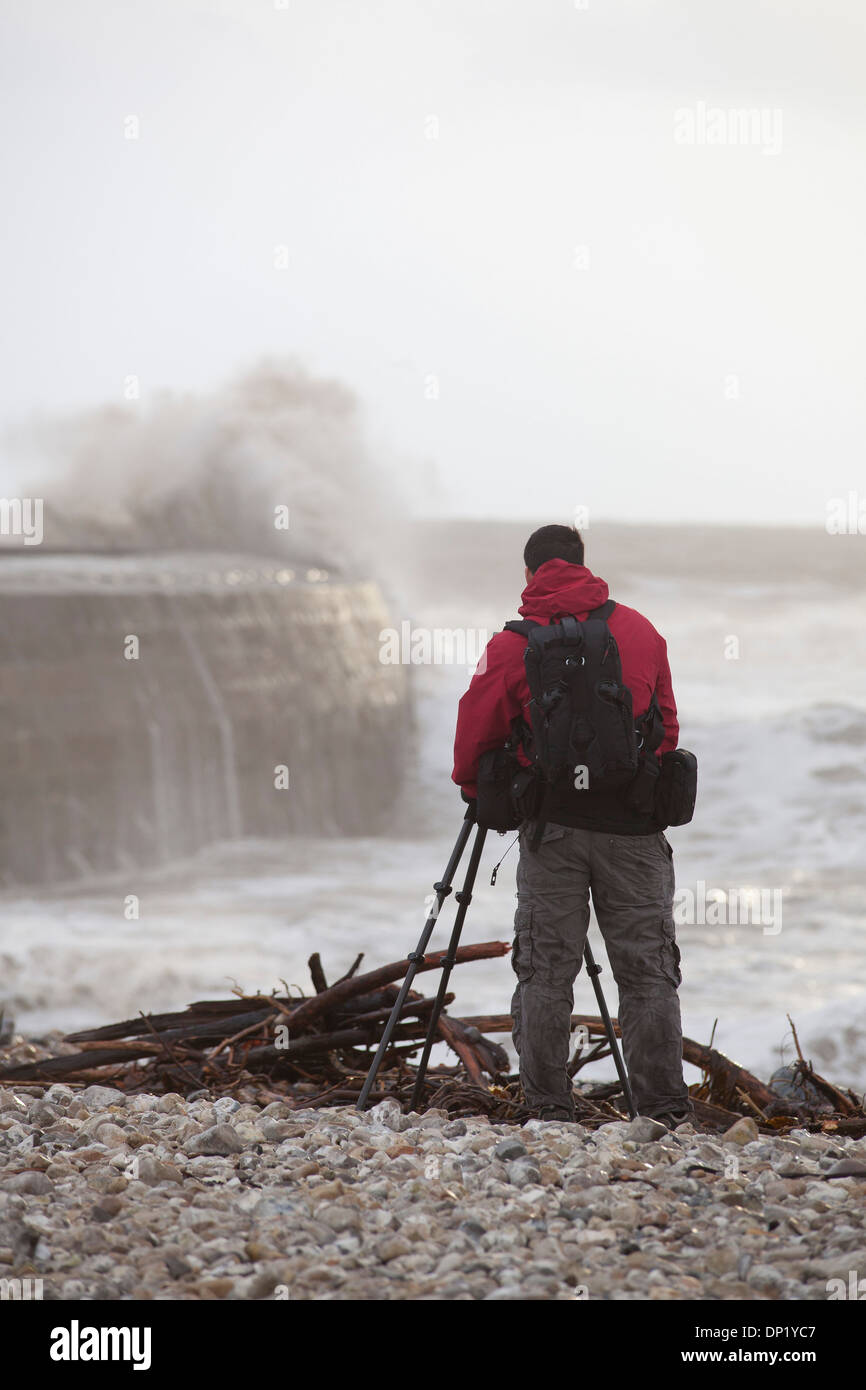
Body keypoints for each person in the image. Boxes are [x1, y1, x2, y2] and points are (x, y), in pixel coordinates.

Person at [452, 524, 693, 1127]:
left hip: (552, 829)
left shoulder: (512, 644)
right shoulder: (640, 630)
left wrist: (478, 792)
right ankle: (663, 1109)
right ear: (585, 564)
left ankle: (547, 1107)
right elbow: (665, 726)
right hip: (633, 832)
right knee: (646, 973)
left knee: (544, 972)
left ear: (531, 572)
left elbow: (474, 730)